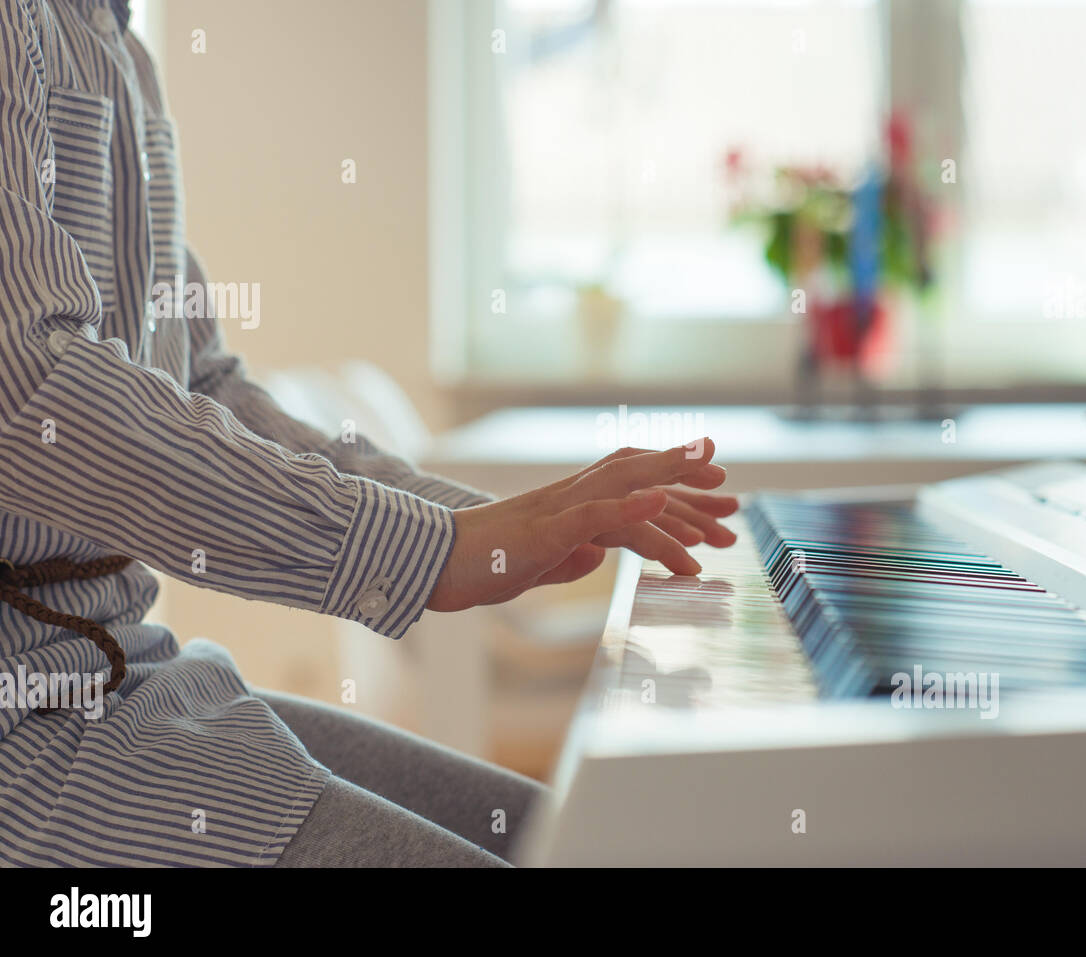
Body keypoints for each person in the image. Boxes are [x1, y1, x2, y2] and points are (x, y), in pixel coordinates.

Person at [0, 0, 739, 866]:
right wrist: (428, 547)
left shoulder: (121, 49)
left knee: (585, 842)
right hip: (29, 741)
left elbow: (200, 380)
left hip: (129, 680)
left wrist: (479, 523)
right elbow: (31, 391)